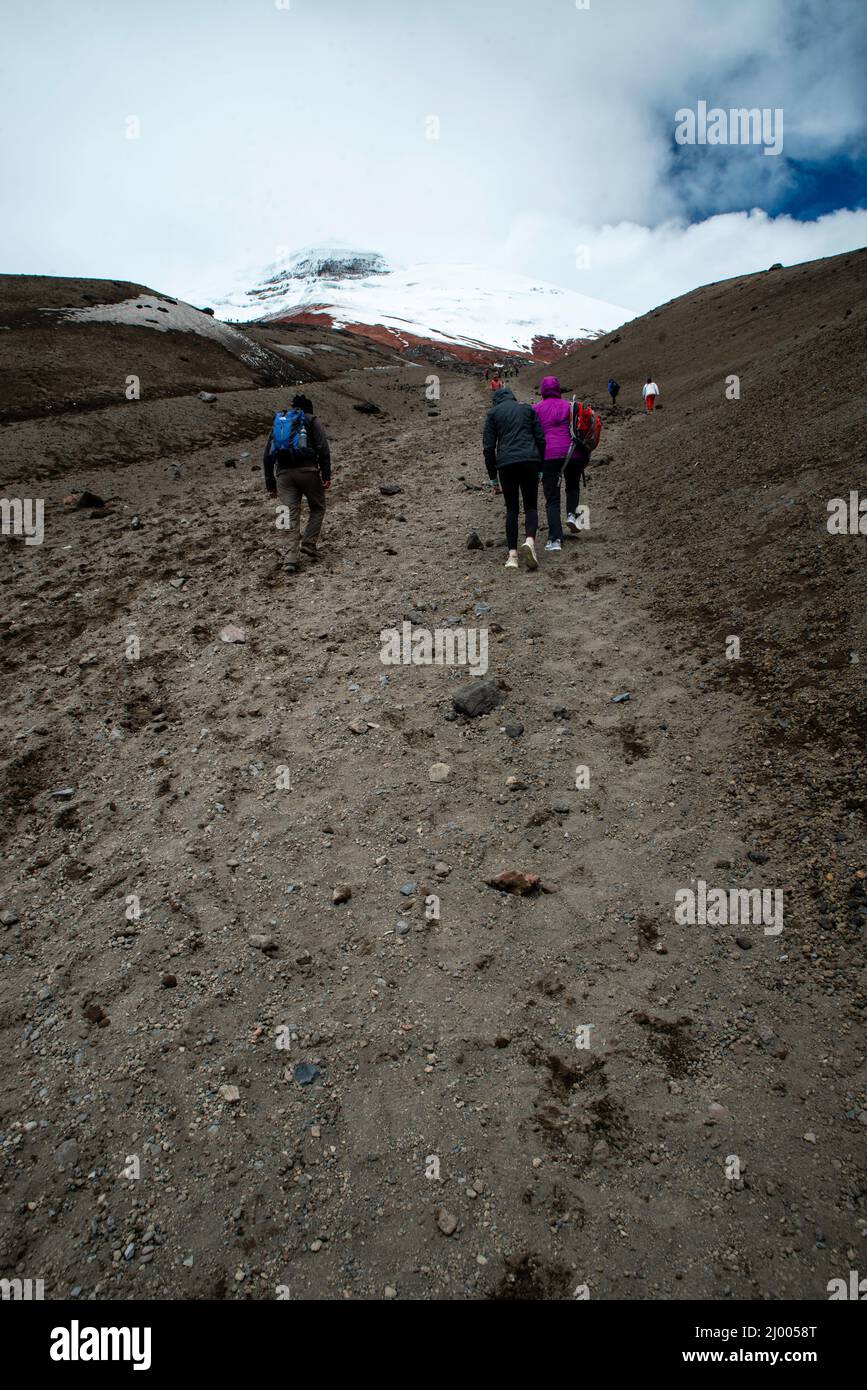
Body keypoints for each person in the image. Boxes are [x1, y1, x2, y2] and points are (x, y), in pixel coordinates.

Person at [264, 393, 332, 573]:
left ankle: (289, 558)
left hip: (283, 475)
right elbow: (323, 448)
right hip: (308, 471)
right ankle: (309, 543)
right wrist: (326, 474)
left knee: (285, 514)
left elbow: (267, 455)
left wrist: (270, 484)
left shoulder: (281, 423)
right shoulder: (311, 420)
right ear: (309, 408)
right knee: (318, 507)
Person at [483, 386, 546, 570]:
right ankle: (529, 541)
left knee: (511, 508)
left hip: (506, 464)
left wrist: (493, 477)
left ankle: (512, 556)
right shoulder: (527, 409)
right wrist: (540, 467)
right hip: (530, 461)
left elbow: (488, 447)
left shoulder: (493, 413)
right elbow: (541, 439)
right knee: (531, 506)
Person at [532, 375, 572, 552]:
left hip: (548, 456)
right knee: (572, 485)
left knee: (552, 499)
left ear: (542, 391)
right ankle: (573, 515)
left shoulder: (536, 409)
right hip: (571, 454)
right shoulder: (569, 406)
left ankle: (555, 539)